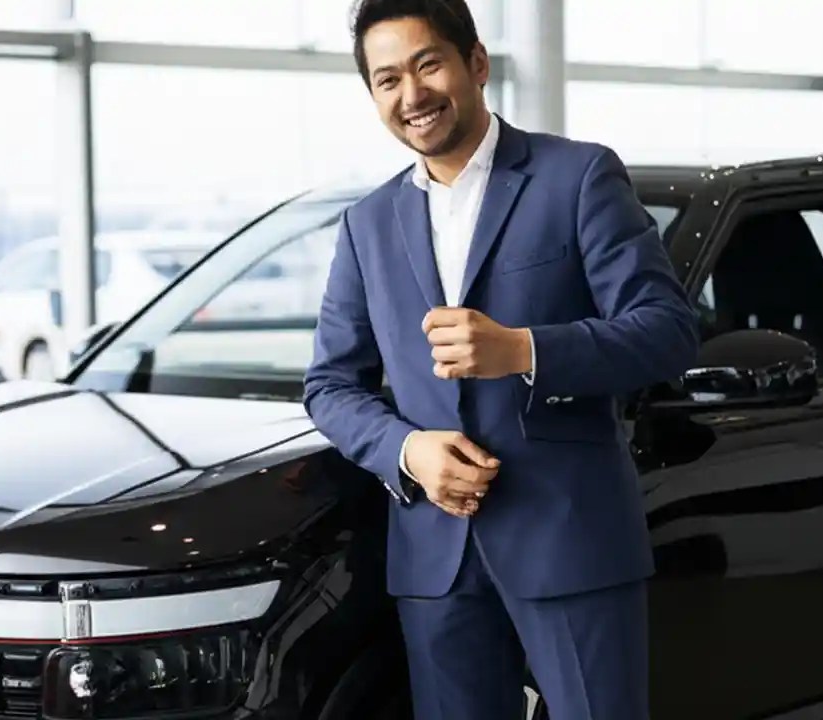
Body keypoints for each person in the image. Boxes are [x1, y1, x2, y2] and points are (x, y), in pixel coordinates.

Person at [301, 0, 700, 718]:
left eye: (428, 64)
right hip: (436, 554)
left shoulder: (578, 175)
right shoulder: (367, 224)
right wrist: (408, 450)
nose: (412, 94)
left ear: (476, 63)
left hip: (569, 535)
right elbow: (330, 385)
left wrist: (523, 349)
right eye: (387, 80)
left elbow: (667, 330)